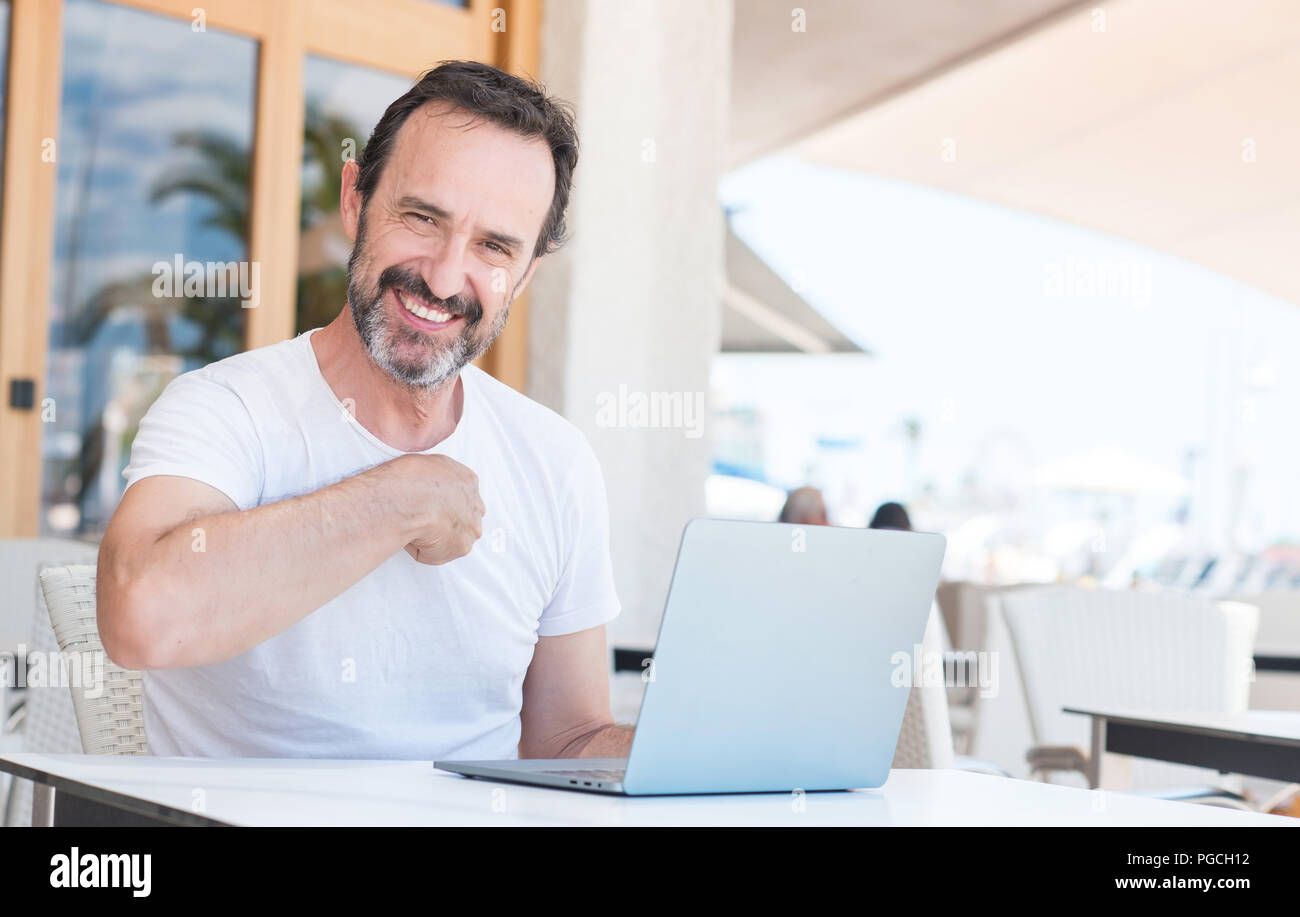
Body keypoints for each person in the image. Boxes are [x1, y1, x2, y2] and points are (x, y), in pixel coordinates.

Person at [97, 61, 633, 761]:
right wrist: (398, 498)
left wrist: (711, 757)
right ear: (356, 200)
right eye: (422, 217)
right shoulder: (225, 409)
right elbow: (139, 615)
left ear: (528, 271)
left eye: (493, 246)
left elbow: (568, 738)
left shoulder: (555, 461)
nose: (443, 277)